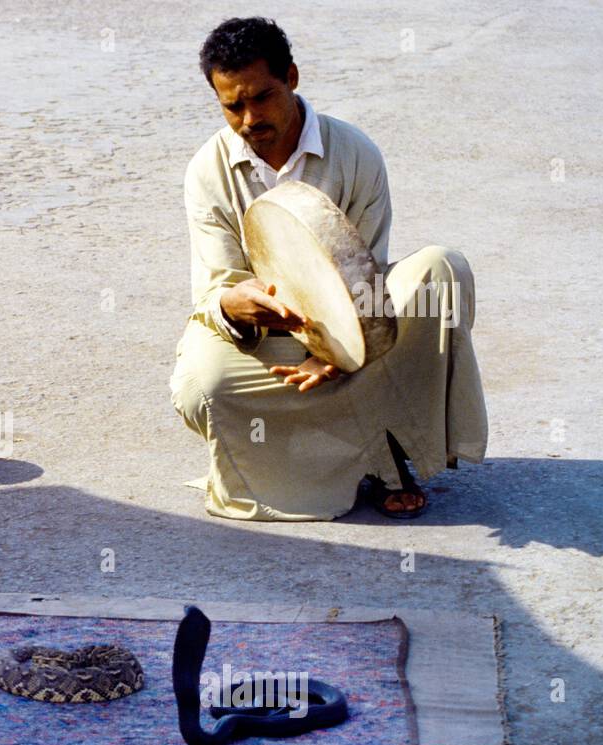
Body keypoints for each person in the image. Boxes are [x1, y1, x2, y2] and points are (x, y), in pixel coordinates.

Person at [171, 18, 488, 520]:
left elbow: (370, 277)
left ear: (292, 77)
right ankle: (319, 457)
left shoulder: (355, 152)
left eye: (262, 97)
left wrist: (336, 355)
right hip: (269, 339)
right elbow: (217, 288)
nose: (249, 117)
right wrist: (238, 304)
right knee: (201, 386)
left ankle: (390, 452)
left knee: (441, 272)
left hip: (360, 329)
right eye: (232, 105)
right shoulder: (207, 171)